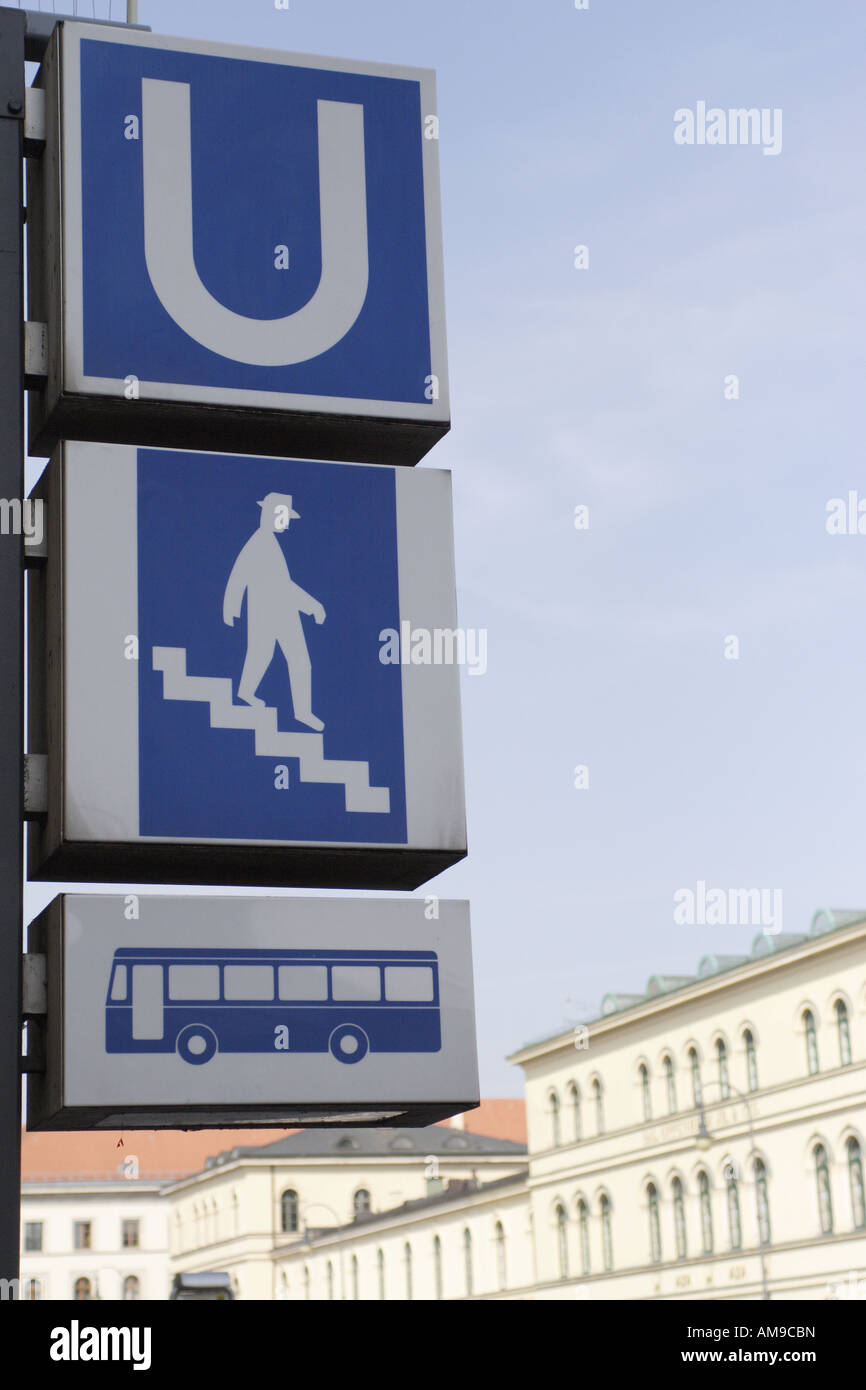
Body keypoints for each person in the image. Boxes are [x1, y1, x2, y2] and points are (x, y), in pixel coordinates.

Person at [223, 492, 326, 732]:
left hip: (278, 612)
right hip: (271, 613)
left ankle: (298, 710)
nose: (286, 521)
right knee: (275, 656)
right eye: (283, 516)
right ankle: (252, 694)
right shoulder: (260, 543)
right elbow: (240, 576)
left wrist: (311, 606)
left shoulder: (268, 542)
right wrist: (231, 609)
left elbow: (280, 585)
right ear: (270, 514)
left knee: (281, 658)